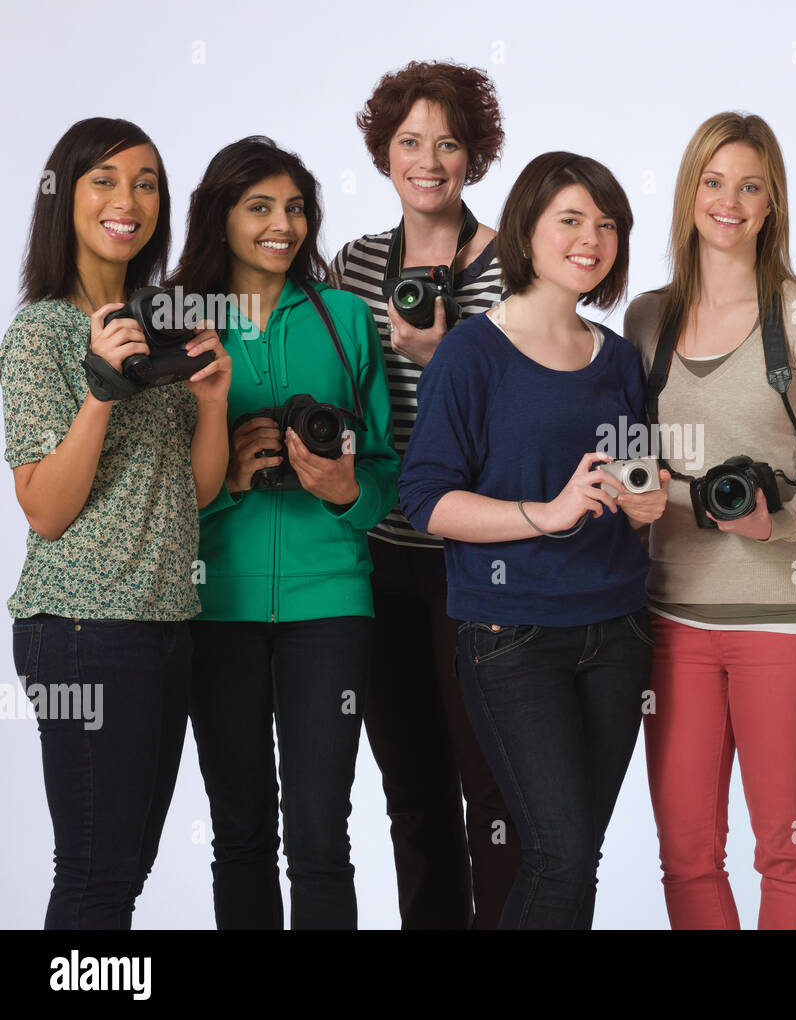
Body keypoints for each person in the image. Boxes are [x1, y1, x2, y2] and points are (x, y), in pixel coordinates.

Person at [623, 112, 796, 930]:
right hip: (670, 619)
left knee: (787, 849)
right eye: (714, 181)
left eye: (750, 186)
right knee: (687, 853)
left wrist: (787, 522)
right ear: (689, 191)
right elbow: (633, 467)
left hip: (791, 622)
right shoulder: (645, 319)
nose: (729, 201)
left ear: (771, 205)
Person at [399, 150, 666, 929]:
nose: (592, 239)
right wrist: (544, 514)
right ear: (528, 230)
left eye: (608, 224)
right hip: (512, 637)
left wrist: (647, 502)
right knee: (558, 854)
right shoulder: (472, 353)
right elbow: (425, 500)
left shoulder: (618, 358)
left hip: (616, 632)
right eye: (572, 221)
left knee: (577, 857)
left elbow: (640, 472)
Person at [0, 117, 232, 929]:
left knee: (125, 871)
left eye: (145, 183)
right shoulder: (40, 334)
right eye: (103, 180)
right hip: (80, 629)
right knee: (95, 872)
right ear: (64, 199)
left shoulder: (153, 326)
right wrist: (100, 391)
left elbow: (195, 495)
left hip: (163, 623)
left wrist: (210, 404)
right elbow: (47, 509)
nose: (127, 200)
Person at [172, 136, 399, 929]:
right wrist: (226, 485)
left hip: (331, 605)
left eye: (297, 208)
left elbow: (386, 475)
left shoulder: (344, 318)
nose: (284, 225)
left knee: (320, 835)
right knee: (239, 834)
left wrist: (344, 491)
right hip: (215, 603)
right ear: (220, 216)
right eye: (260, 207)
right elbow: (145, 489)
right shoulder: (178, 320)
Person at [330, 60, 517, 929]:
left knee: (494, 787)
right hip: (379, 560)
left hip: (481, 563)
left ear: (474, 156)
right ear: (384, 152)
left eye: (447, 142)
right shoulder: (356, 263)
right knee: (411, 790)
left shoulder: (512, 267)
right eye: (409, 141)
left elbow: (524, 424)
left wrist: (442, 358)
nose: (428, 160)